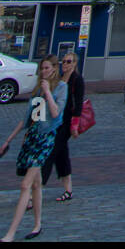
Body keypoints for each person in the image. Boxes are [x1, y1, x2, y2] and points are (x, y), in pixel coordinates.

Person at [0, 55, 67, 242]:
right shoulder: (36, 90)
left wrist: (48, 92)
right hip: (32, 138)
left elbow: (55, 113)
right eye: (41, 68)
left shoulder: (61, 88)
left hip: (46, 140)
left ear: (54, 68)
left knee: (25, 184)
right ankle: (37, 225)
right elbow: (27, 119)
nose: (43, 72)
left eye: (46, 68)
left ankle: (10, 234)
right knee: (36, 185)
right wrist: (8, 140)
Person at [41, 51, 85, 200]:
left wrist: (74, 125)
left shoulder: (77, 80)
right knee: (62, 154)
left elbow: (78, 104)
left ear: (74, 64)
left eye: (68, 61)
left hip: (66, 122)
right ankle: (68, 190)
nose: (65, 64)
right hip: (56, 120)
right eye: (63, 61)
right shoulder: (60, 78)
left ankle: (37, 190)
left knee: (50, 152)